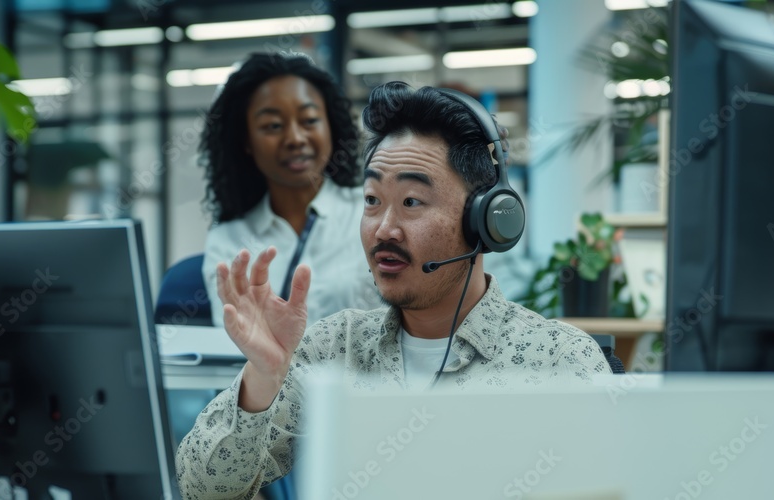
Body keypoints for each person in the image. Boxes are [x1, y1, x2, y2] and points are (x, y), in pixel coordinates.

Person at [176, 82, 611, 499]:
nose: (384, 228)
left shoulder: (557, 359)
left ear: (487, 220)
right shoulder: (333, 348)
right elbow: (202, 488)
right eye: (371, 200)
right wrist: (263, 377)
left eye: (411, 202)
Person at [199, 52, 381, 326]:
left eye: (309, 120)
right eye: (273, 125)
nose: (295, 138)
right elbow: (234, 344)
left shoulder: (375, 214)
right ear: (245, 141)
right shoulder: (229, 241)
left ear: (330, 126)